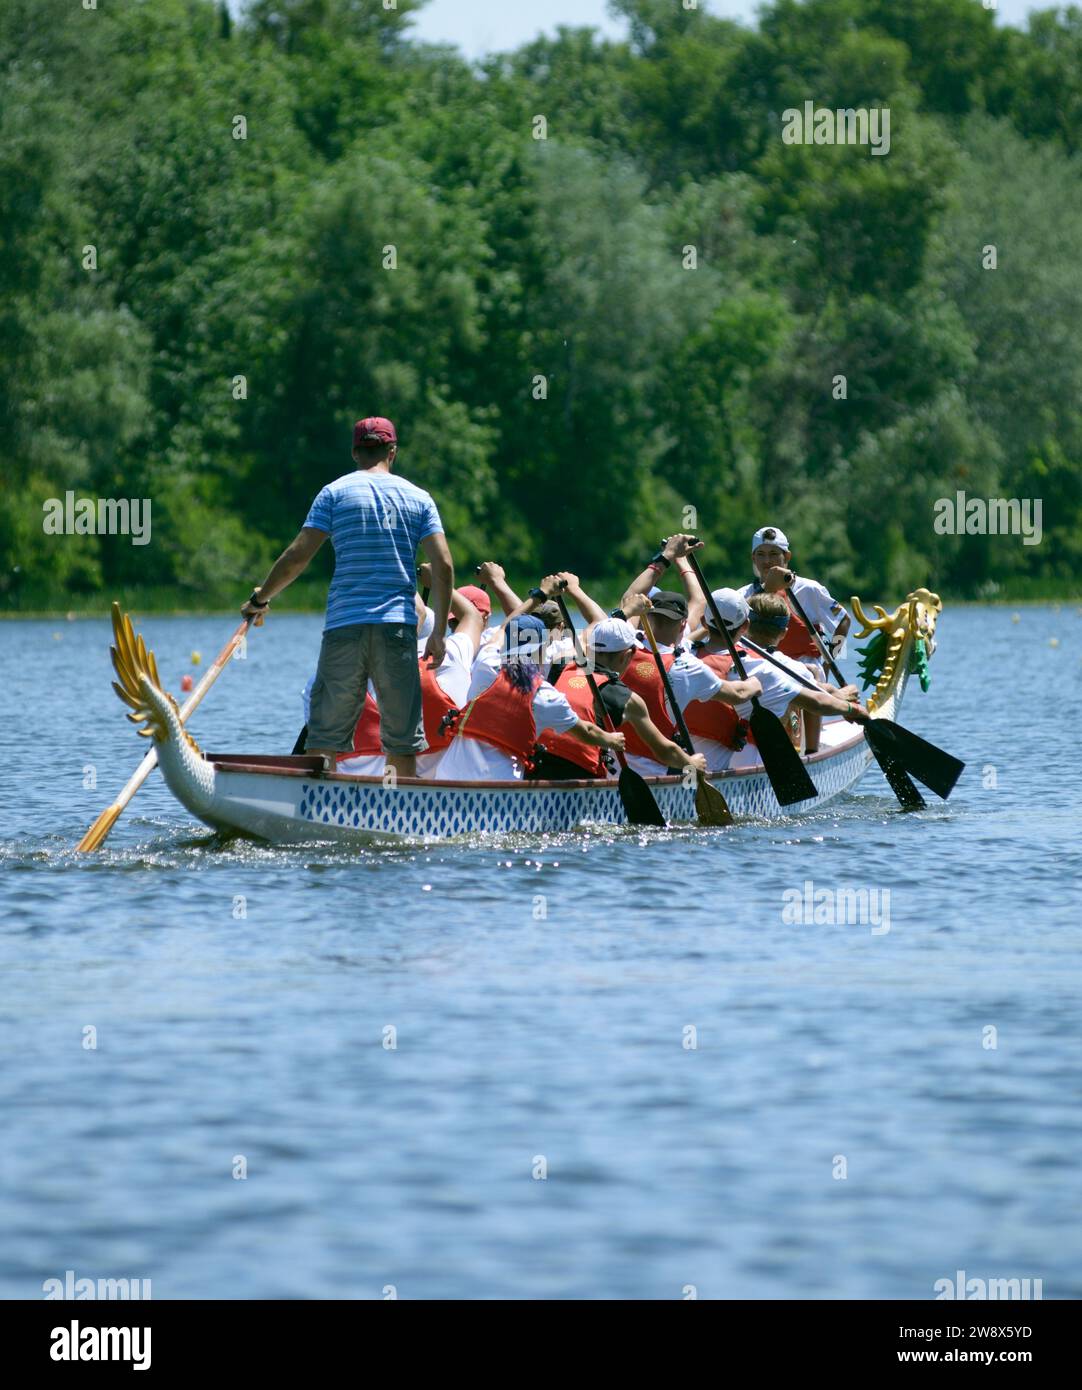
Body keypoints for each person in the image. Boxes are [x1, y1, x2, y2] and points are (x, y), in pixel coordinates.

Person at [241, 417, 453, 778]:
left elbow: (297, 556)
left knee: (325, 735)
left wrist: (262, 597)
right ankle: (397, 819)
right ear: (393, 451)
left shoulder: (334, 493)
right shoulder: (420, 498)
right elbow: (444, 565)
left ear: (355, 452)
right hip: (397, 630)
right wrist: (436, 634)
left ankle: (316, 809)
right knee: (401, 740)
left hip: (345, 627)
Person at [435, 614, 624, 781]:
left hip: (448, 775)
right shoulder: (545, 696)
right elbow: (587, 732)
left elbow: (498, 634)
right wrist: (611, 739)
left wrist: (536, 597)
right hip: (499, 785)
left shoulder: (485, 663)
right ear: (541, 650)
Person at [533, 619, 708, 780]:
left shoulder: (561, 665)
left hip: (535, 763)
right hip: (578, 774)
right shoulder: (627, 699)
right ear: (628, 654)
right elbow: (663, 750)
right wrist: (692, 763)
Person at [611, 591, 763, 777]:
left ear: (648, 617)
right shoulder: (688, 666)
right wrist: (755, 684)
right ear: (683, 623)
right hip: (652, 769)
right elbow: (737, 695)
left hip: (609, 758)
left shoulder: (622, 643)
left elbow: (606, 626)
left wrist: (626, 611)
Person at [720, 592, 870, 762]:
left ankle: (810, 748)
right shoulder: (788, 668)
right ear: (784, 633)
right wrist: (848, 701)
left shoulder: (720, 654)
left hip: (715, 746)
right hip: (756, 754)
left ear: (745, 625)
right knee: (808, 680)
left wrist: (835, 663)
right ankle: (808, 752)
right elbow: (819, 698)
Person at [739, 525, 850, 754]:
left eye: (773, 554)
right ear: (753, 558)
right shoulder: (743, 595)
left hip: (806, 666)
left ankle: (812, 750)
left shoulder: (808, 589)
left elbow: (844, 621)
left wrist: (830, 659)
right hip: (765, 667)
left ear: (786, 557)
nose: (767, 562)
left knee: (812, 673)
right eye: (761, 554)